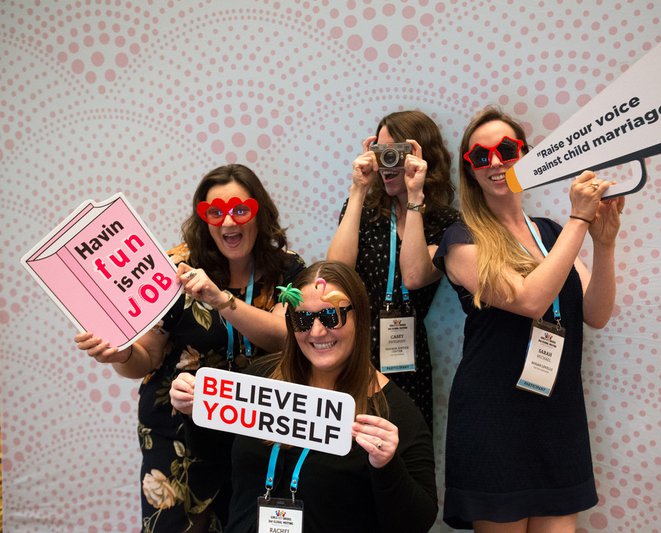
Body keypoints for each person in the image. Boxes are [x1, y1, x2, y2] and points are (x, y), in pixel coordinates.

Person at [74, 164, 305, 532]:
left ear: (259, 212)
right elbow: (145, 358)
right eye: (215, 212)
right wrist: (121, 355)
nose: (228, 223)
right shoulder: (174, 266)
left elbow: (282, 336)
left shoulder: (287, 269)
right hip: (178, 433)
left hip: (256, 433)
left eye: (240, 210)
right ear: (204, 219)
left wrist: (220, 299)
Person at [433, 108, 624, 532]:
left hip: (557, 416)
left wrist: (604, 244)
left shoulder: (552, 233)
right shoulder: (461, 239)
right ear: (470, 170)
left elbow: (596, 314)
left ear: (527, 155)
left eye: (506, 150)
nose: (495, 162)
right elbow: (530, 300)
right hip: (494, 419)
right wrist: (580, 219)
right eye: (480, 157)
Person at [169, 261, 438, 532]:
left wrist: (387, 466)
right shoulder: (261, 377)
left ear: (360, 317)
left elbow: (417, 522)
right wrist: (193, 412)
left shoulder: (393, 411)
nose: (318, 332)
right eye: (303, 320)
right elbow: (214, 456)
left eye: (332, 316)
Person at [326, 110, 459, 430]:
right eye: (379, 153)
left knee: (406, 451)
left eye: (395, 153)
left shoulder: (445, 223)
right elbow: (336, 272)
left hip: (408, 356)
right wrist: (358, 188)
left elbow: (415, 277)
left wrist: (415, 196)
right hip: (353, 350)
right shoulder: (364, 211)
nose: (386, 162)